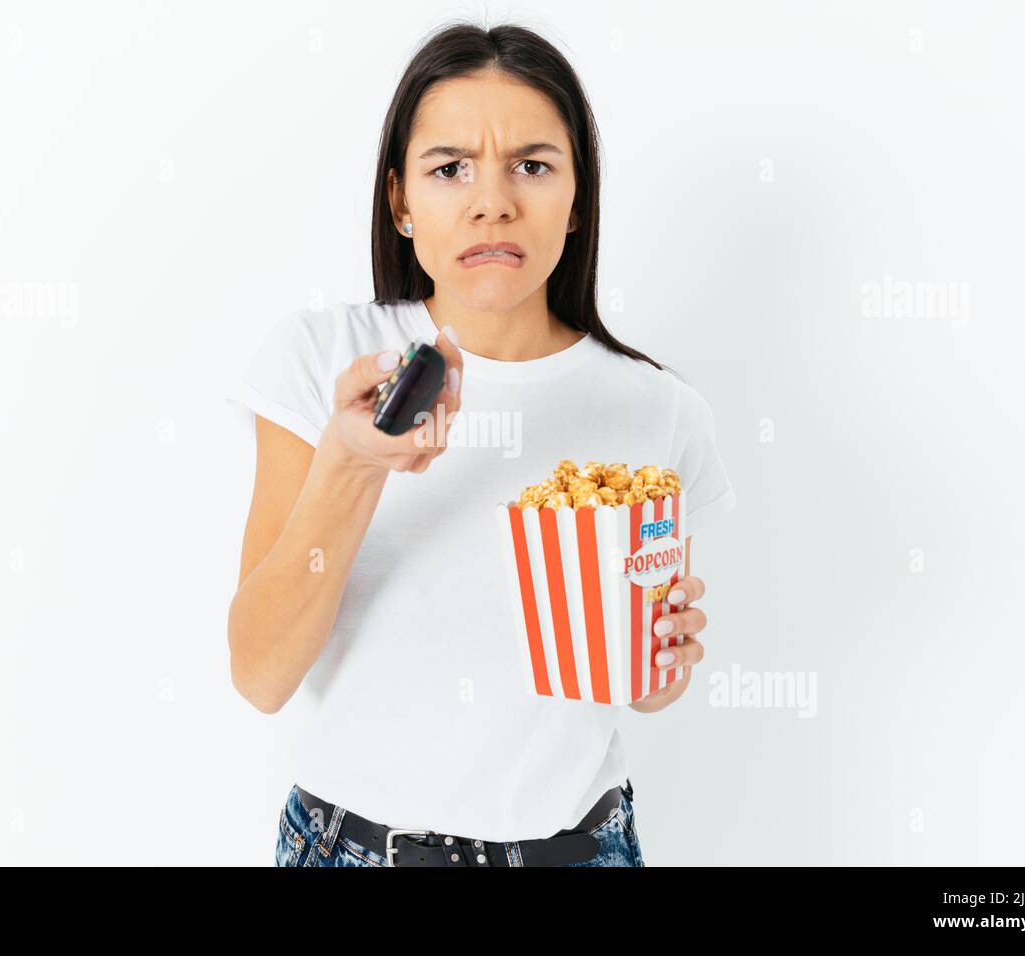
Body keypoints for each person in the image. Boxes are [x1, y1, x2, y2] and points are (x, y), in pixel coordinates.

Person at [226, 22, 737, 867]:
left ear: (577, 202)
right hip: (353, 848)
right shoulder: (324, 361)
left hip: (579, 847)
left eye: (532, 166)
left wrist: (662, 662)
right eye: (449, 168)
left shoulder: (658, 411)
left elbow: (640, 687)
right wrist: (352, 462)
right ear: (400, 201)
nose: (492, 200)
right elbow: (260, 673)